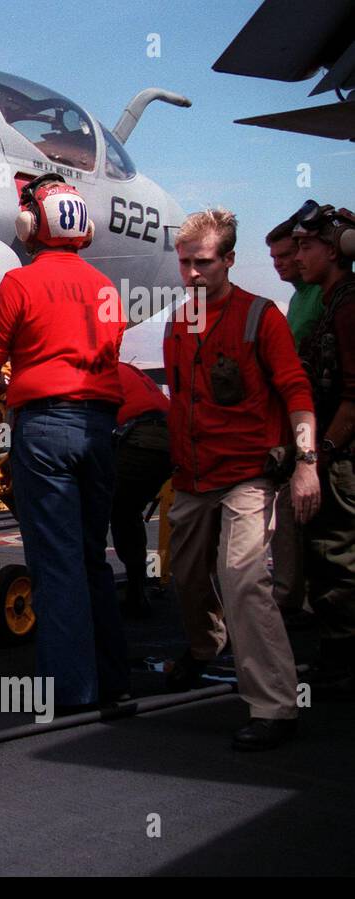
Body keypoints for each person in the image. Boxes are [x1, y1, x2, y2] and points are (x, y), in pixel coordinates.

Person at [162, 208, 319, 750]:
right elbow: (181, 401)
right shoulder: (177, 323)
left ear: (229, 259)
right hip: (193, 477)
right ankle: (206, 647)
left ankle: (275, 705)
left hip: (249, 474)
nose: (192, 274)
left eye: (203, 263)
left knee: (243, 577)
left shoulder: (262, 318)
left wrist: (306, 464)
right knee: (183, 576)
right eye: (184, 263)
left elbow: (297, 393)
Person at [0, 172, 129, 712]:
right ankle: (114, 679)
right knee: (91, 559)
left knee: (55, 561)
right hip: (100, 429)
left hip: (45, 429)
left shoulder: (20, 283)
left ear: (31, 224)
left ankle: (70, 692)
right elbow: (109, 348)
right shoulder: (106, 287)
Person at [292, 203, 355, 692]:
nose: (299, 256)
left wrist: (326, 449)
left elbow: (354, 392)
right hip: (334, 452)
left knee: (337, 554)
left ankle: (343, 659)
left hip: (342, 457)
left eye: (308, 247)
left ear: (335, 251)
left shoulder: (348, 304)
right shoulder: (332, 301)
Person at [265, 217, 325, 614]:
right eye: (277, 257)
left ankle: (291, 602)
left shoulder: (326, 294)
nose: (284, 263)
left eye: (292, 253)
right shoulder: (300, 298)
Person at [109, 362, 171, 618]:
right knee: (126, 511)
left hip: (141, 438)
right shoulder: (125, 369)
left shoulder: (97, 370)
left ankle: (90, 594)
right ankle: (137, 589)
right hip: (167, 438)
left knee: (111, 508)